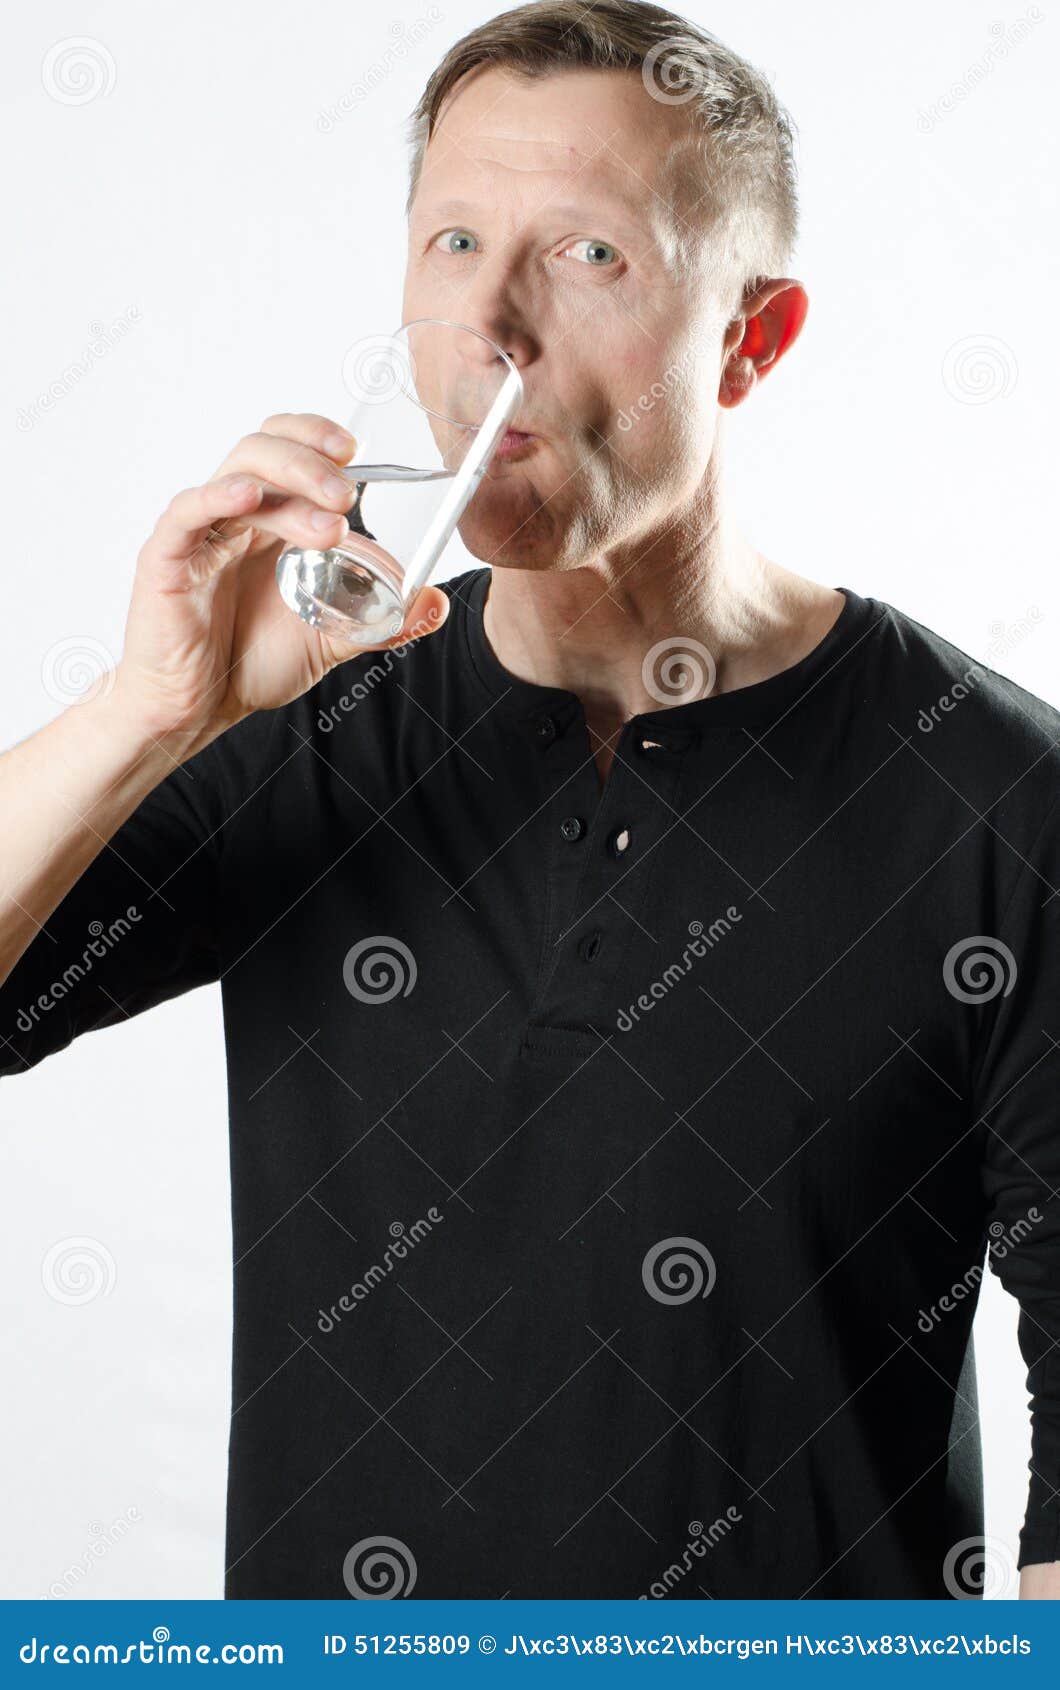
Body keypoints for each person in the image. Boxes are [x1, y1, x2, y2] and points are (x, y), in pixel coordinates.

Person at [3, 0, 1058, 1601]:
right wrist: (145, 712)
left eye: (590, 257)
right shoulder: (291, 725)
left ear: (753, 339)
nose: (490, 322)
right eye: (452, 241)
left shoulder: (999, 796)